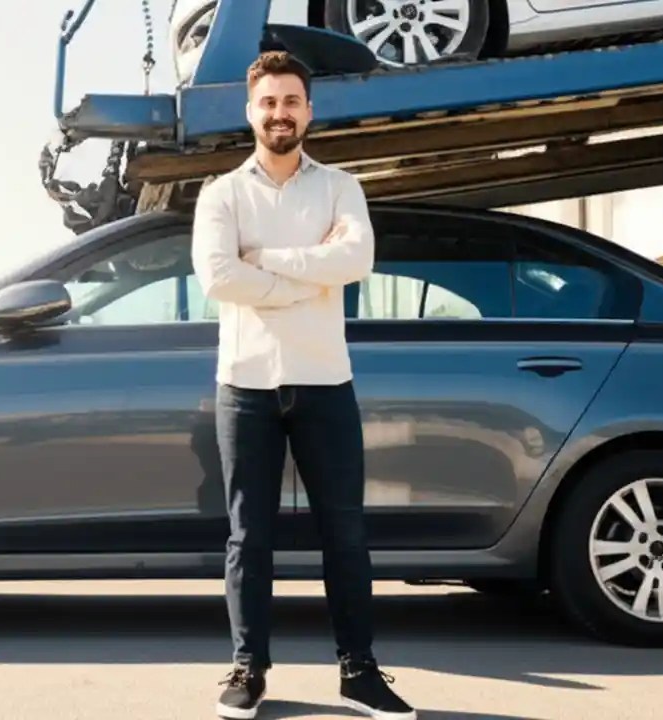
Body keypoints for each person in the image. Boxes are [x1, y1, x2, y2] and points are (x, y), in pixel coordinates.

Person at [191, 50, 418, 720]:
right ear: (251, 111)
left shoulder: (342, 187)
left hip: (325, 382)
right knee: (247, 536)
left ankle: (359, 670)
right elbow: (219, 279)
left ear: (309, 111)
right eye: (269, 102)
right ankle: (248, 667)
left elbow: (359, 258)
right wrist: (314, 275)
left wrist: (272, 263)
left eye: (291, 101)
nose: (280, 113)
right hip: (247, 385)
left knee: (345, 534)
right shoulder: (221, 193)